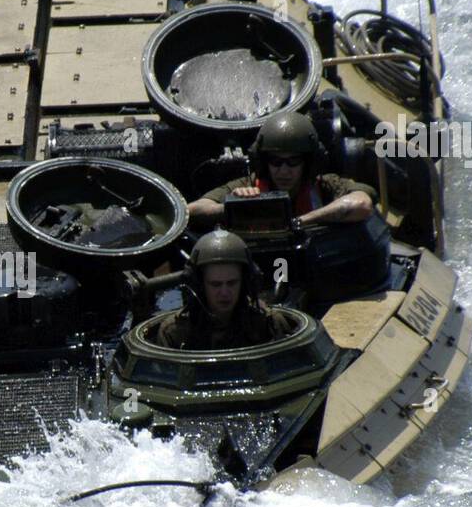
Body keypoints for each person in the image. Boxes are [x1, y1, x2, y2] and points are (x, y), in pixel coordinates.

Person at [187, 112, 376, 226]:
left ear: (307, 163)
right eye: (276, 162)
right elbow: (193, 210)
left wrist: (303, 221)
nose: (284, 171)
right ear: (264, 163)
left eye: (293, 162)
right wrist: (234, 207)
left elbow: (362, 204)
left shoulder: (325, 185)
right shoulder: (247, 185)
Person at [155, 229, 296, 350]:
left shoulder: (268, 324)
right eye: (215, 284)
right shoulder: (175, 332)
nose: (224, 293)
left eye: (232, 283)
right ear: (200, 286)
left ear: (245, 282)